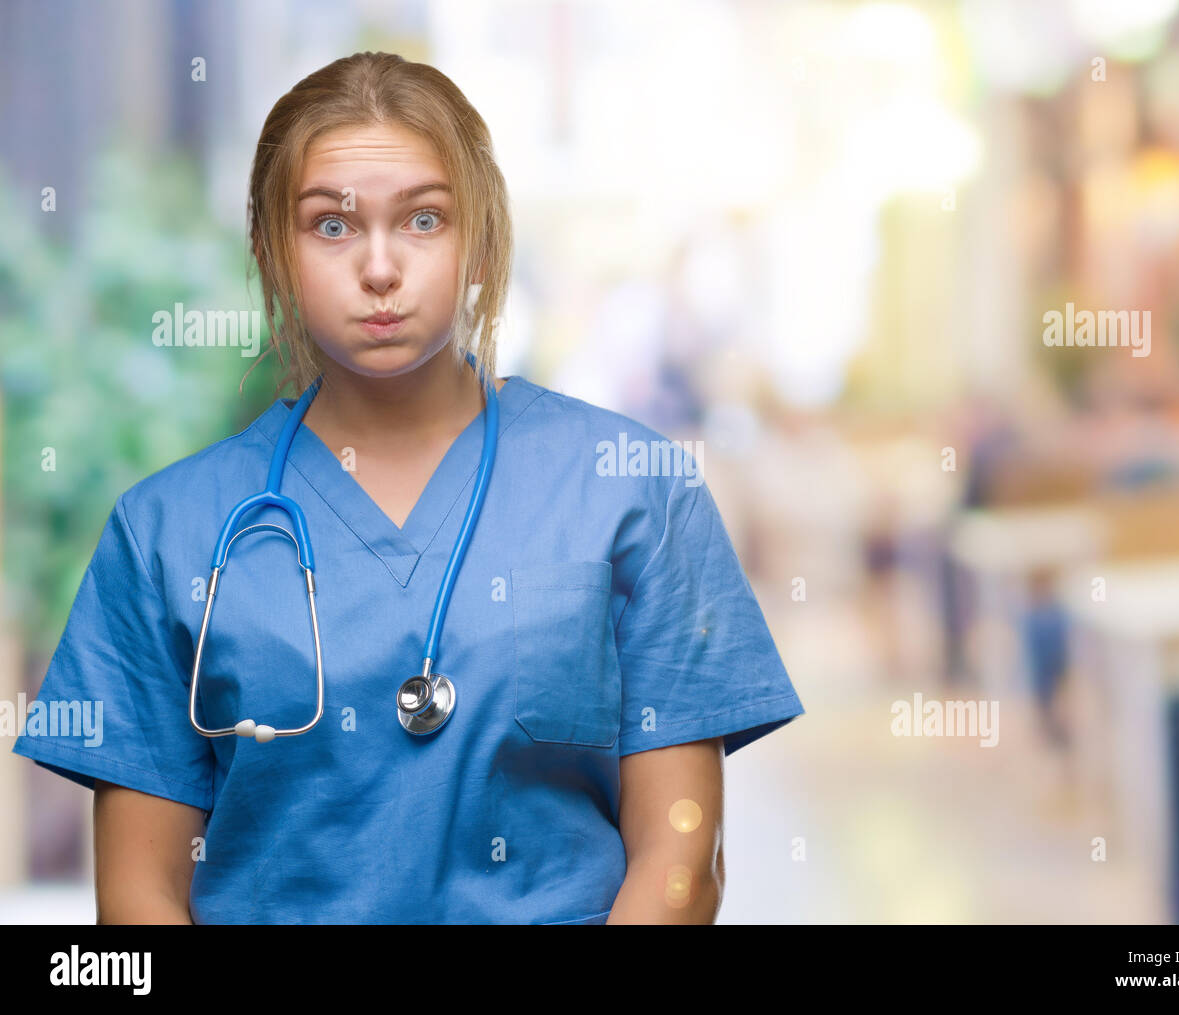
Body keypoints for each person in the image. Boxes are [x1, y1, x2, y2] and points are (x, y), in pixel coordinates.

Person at [11, 52, 804, 925]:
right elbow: (137, 896)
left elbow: (682, 851)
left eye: (424, 219)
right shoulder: (165, 532)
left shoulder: (634, 492)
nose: (381, 268)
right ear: (275, 251)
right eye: (332, 226)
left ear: (483, 241)